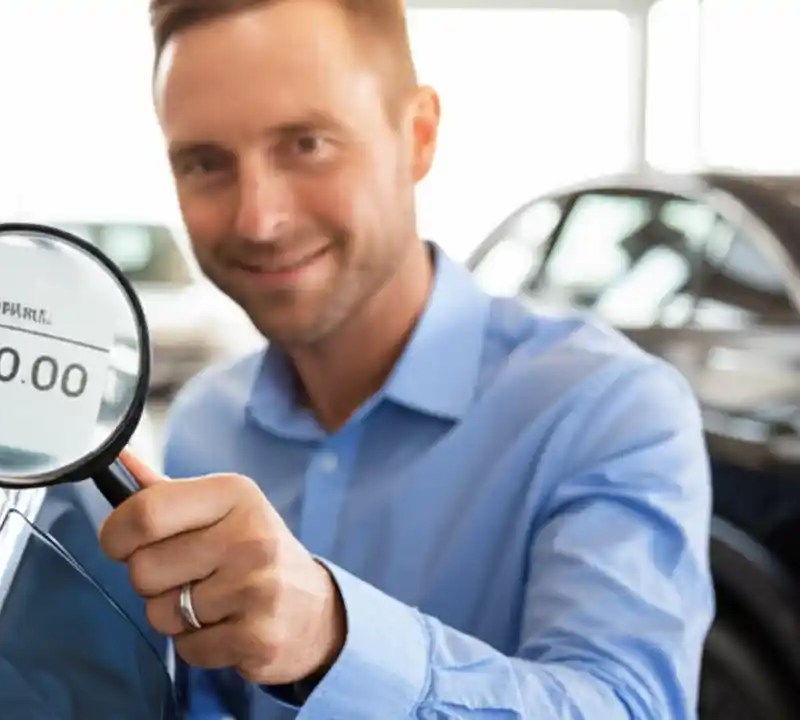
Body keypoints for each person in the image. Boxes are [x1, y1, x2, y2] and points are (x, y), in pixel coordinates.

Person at [95, 0, 715, 718]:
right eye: (206, 163)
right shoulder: (207, 420)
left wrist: (333, 639)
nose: (259, 220)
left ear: (418, 136)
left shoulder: (610, 408)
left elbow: (629, 707)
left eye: (307, 144)